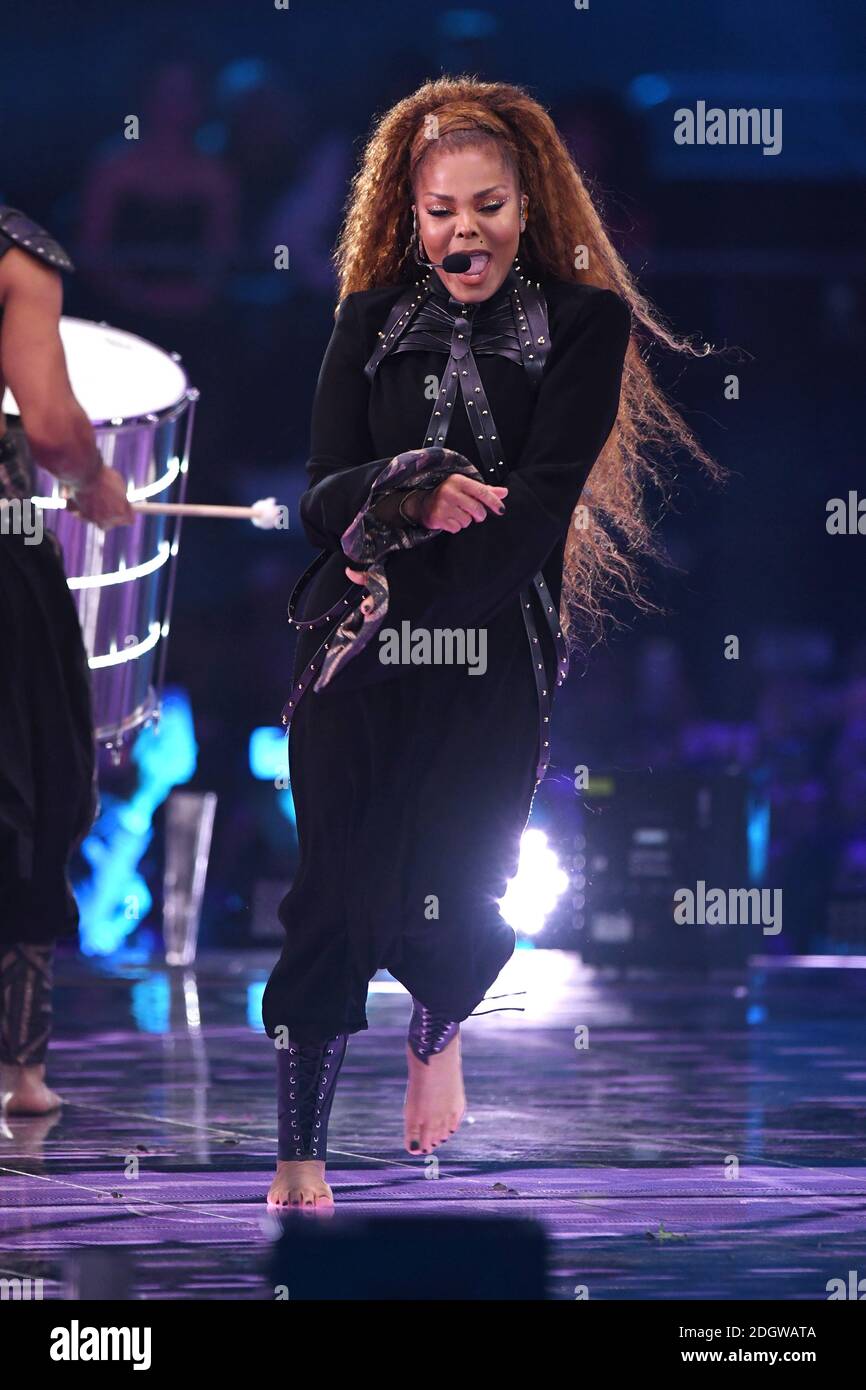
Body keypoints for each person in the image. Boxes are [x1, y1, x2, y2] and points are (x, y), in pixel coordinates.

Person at [262, 77, 722, 1209]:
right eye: (438, 212)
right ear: (408, 217)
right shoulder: (367, 321)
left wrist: (445, 575)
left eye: (486, 206)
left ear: (527, 206)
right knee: (334, 883)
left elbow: (543, 500)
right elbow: (322, 496)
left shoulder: (582, 323)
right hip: (355, 632)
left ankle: (436, 1022)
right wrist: (405, 491)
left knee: (458, 884)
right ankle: (299, 1150)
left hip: (489, 639)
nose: (461, 231)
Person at [0, 204, 132, 1115]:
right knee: (26, 784)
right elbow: (47, 421)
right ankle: (21, 1072)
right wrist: (92, 480)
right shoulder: (18, 251)